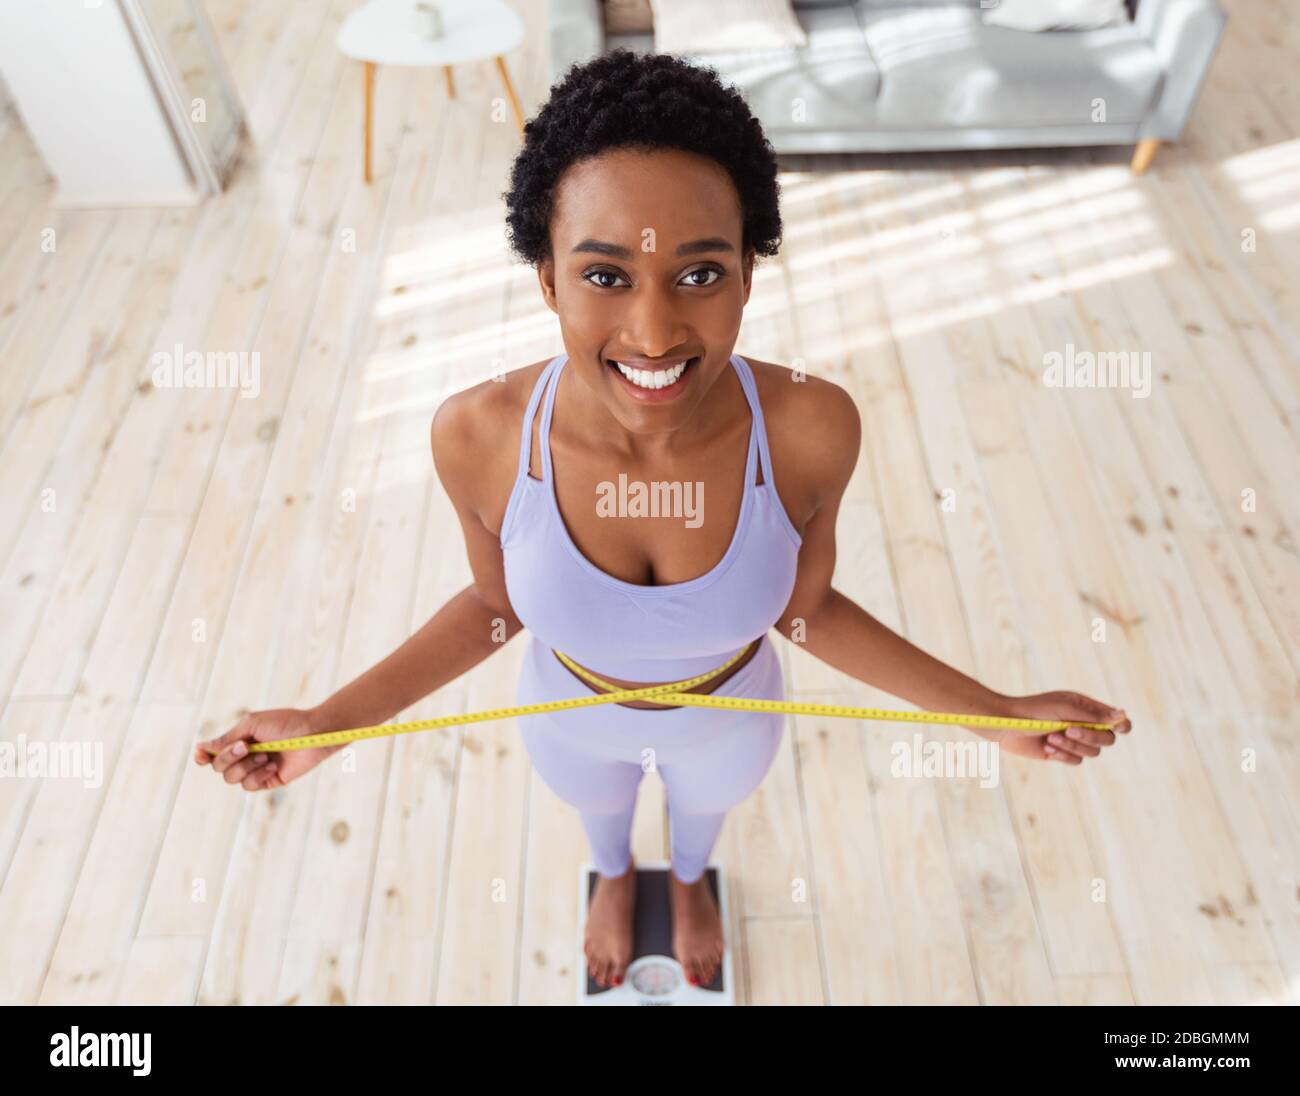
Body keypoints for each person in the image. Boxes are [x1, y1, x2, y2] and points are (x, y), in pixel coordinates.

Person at [195, 49, 1132, 993]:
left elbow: (807, 611)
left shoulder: (812, 428)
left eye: (701, 273)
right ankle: (613, 878)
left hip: (730, 718)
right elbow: (494, 607)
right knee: (601, 825)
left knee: (699, 831)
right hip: (570, 715)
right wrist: (328, 724)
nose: (654, 334)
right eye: (605, 275)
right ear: (547, 280)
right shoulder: (476, 435)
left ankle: (687, 886)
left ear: (748, 275)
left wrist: (995, 715)